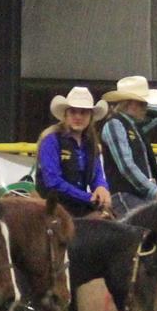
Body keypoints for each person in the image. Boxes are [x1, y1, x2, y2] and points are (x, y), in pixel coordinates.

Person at [99, 75, 157, 213]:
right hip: (123, 195)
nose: (145, 107)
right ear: (130, 103)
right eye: (142, 103)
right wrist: (155, 191)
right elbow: (126, 166)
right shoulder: (115, 124)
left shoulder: (135, 126)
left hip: (138, 196)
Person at [35, 86, 112, 216]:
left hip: (79, 206)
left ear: (90, 116)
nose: (78, 116)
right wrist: (88, 197)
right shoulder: (51, 141)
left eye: (83, 112)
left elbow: (97, 174)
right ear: (66, 115)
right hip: (51, 207)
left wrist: (101, 188)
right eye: (73, 112)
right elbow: (53, 182)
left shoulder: (91, 144)